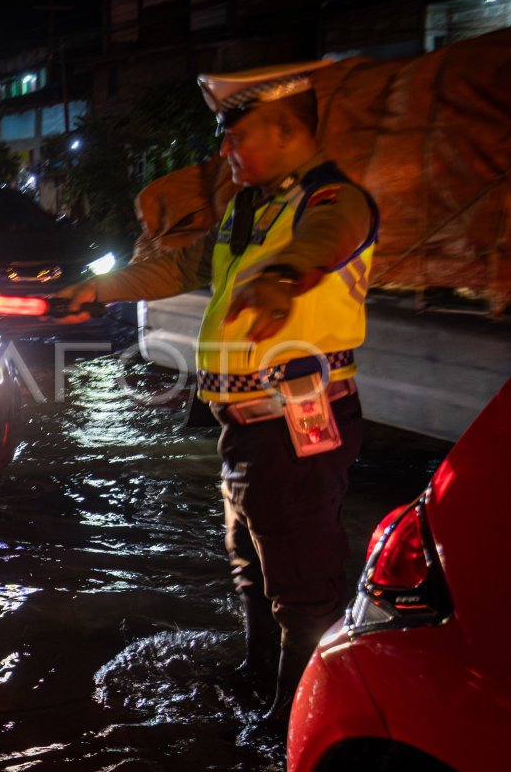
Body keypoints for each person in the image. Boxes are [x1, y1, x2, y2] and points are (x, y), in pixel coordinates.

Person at [56, 60, 378, 732]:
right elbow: (179, 264)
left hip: (297, 421)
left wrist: (285, 276)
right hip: (247, 426)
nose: (225, 153)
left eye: (237, 138)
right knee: (254, 556)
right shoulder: (249, 209)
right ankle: (259, 676)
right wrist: (98, 289)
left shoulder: (333, 199)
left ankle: (298, 720)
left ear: (287, 128)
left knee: (303, 577)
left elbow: (331, 238)